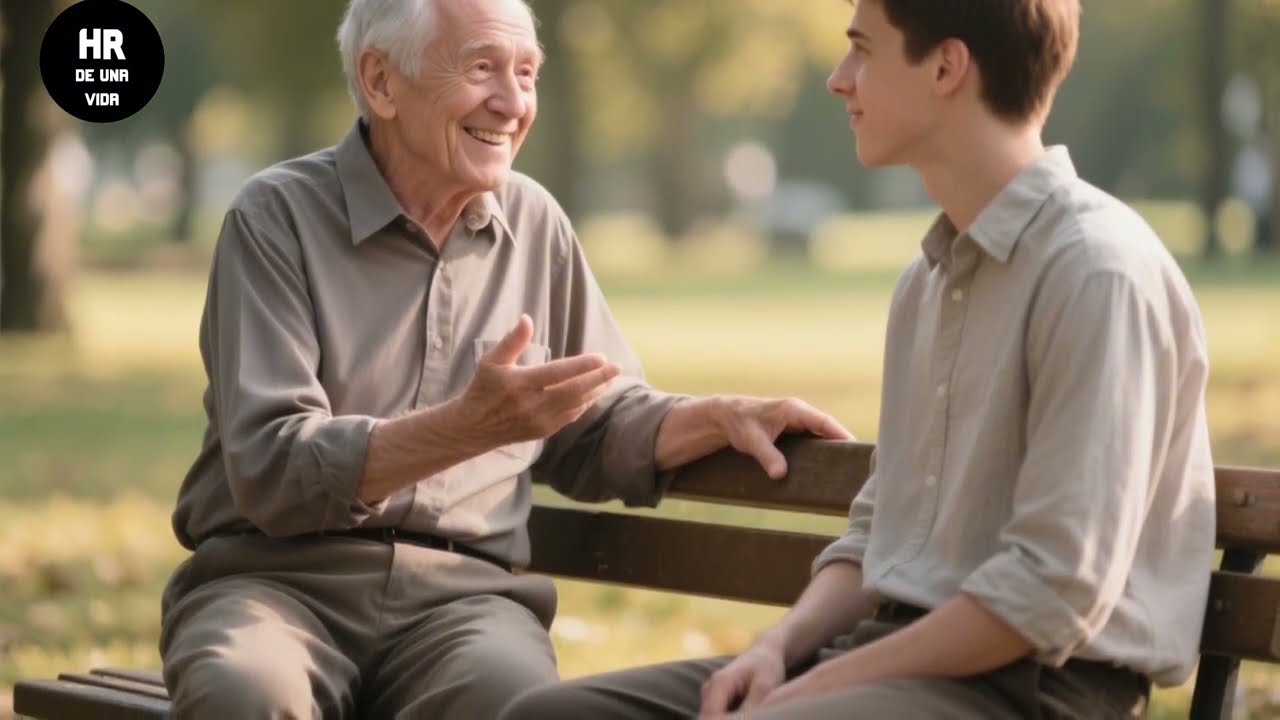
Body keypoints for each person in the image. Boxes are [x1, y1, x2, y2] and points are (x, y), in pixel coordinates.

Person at [501, 0, 1216, 718]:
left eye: (863, 50)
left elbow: (1052, 595)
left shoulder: (1095, 273)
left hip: (1035, 690)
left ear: (946, 67)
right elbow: (880, 533)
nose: (839, 79)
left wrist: (821, 685)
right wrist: (776, 650)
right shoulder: (928, 282)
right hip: (888, 662)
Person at [158, 0, 852, 717]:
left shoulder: (536, 222)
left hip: (463, 604)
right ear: (381, 82)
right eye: (483, 68)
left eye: (527, 73)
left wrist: (718, 417)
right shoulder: (275, 218)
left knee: (513, 705)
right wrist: (465, 427)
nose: (515, 103)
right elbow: (273, 466)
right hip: (276, 585)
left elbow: (594, 422)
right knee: (246, 693)